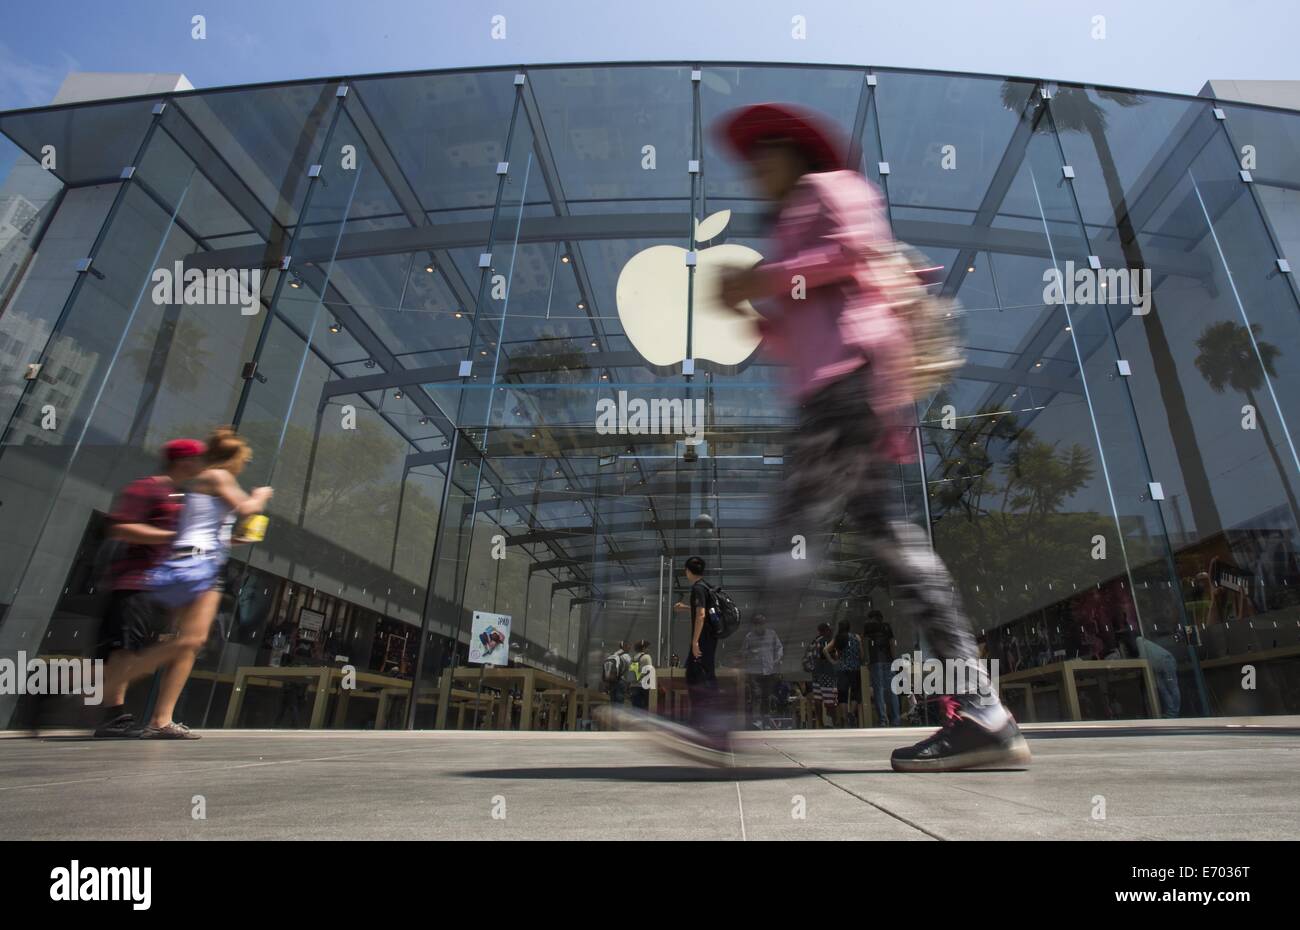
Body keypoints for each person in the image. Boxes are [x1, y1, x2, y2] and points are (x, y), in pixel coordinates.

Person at [714, 102, 1029, 771]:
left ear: (795, 151)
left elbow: (852, 255)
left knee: (791, 533)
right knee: (895, 547)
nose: (756, 167)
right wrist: (752, 311)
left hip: (847, 388)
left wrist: (757, 280)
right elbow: (798, 324)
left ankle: (719, 714)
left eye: (765, 150)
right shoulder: (791, 227)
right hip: (845, 392)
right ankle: (983, 714)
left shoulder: (831, 189)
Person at [141, 427, 272, 739]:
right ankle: (119, 678)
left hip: (203, 561)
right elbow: (248, 508)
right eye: (244, 460)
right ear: (234, 458)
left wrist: (238, 538)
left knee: (187, 644)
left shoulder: (209, 484)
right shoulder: (217, 476)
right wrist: (260, 497)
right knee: (187, 641)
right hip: (195, 564)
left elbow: (216, 533)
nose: (244, 466)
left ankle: (160, 718)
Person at [93, 439, 208, 738]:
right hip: (135, 582)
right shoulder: (147, 488)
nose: (201, 465)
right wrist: (172, 535)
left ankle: (161, 720)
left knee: (177, 646)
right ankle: (112, 716)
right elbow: (121, 527)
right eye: (198, 459)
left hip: (165, 586)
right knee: (126, 650)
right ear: (184, 461)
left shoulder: (180, 497)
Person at [742, 613, 783, 728]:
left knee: (767, 696)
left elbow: (779, 647)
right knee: (756, 695)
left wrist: (777, 658)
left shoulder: (772, 634)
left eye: (763, 624)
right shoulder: (749, 637)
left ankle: (766, 720)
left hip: (768, 671)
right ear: (754, 625)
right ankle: (756, 721)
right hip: (754, 672)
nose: (761, 626)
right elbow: (744, 653)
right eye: (759, 624)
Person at [863, 609, 901, 727]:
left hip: (875, 661)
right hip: (888, 661)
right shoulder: (887, 627)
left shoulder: (868, 627)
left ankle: (883, 720)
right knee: (892, 691)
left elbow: (864, 643)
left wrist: (866, 659)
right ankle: (896, 719)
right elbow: (892, 643)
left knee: (878, 690)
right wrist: (894, 659)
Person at [835, 619, 864, 726]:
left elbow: (837, 655)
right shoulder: (856, 637)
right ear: (849, 627)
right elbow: (861, 655)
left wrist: (834, 661)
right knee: (855, 693)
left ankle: (844, 717)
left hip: (842, 669)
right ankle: (851, 713)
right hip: (855, 669)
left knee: (842, 694)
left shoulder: (839, 639)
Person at [629, 640, 655, 710]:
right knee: (644, 709)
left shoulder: (633, 658)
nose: (648, 649)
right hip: (643, 686)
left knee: (635, 709)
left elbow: (631, 672)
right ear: (643, 648)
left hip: (633, 686)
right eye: (647, 647)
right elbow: (650, 671)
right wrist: (652, 687)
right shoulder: (647, 657)